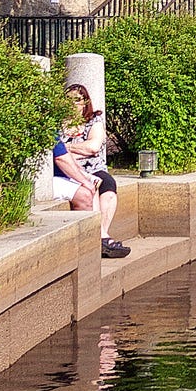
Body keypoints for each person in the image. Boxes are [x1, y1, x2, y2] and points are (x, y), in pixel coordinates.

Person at [55, 83, 129, 259]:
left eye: (78, 100)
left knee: (108, 187)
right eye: (69, 100)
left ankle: (102, 234)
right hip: (70, 170)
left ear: (85, 102)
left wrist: (67, 148)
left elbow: (93, 147)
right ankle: (103, 239)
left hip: (93, 167)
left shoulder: (93, 121)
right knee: (92, 185)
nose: (73, 104)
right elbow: (63, 155)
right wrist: (74, 149)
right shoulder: (57, 124)